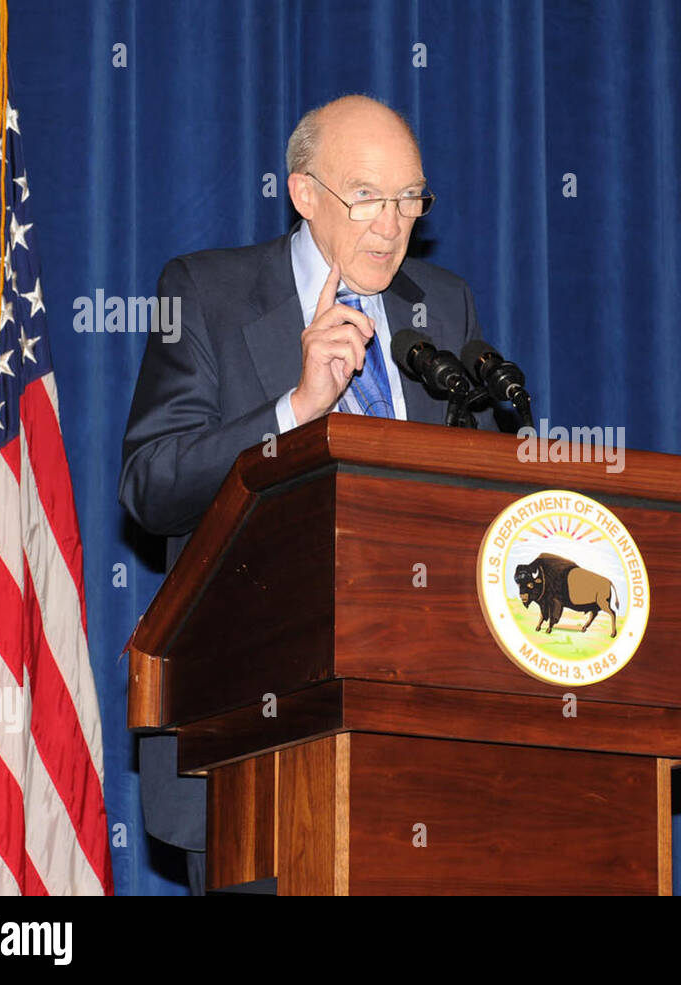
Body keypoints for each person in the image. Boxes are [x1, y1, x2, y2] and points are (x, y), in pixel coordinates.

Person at [118, 95, 502, 893]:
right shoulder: (204, 292)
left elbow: (481, 500)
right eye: (367, 196)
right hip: (255, 738)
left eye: (411, 199)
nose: (393, 224)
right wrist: (294, 409)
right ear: (303, 193)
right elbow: (151, 485)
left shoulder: (444, 306)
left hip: (421, 741)